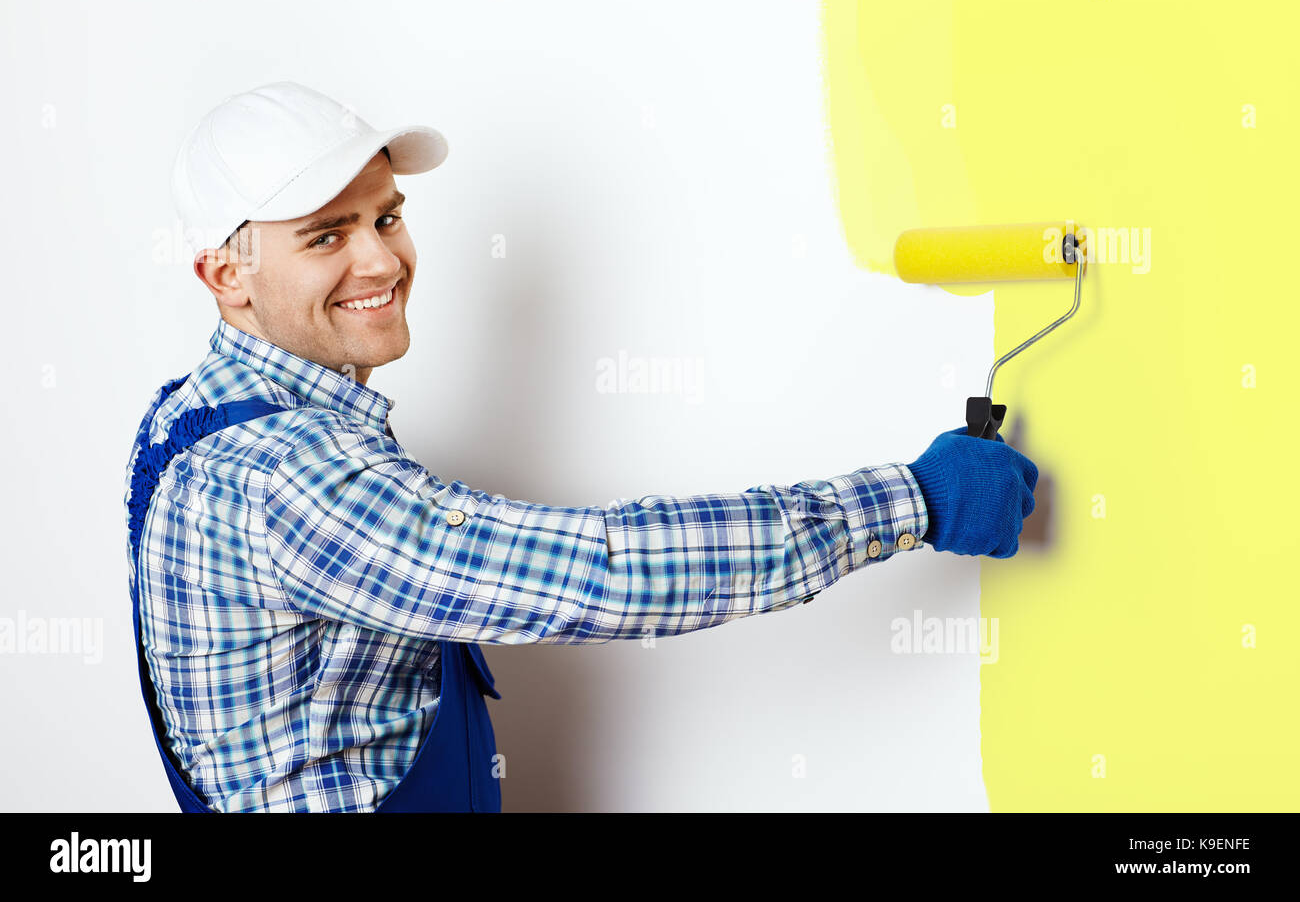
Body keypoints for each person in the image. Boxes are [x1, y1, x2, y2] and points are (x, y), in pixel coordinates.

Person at [125, 80, 1038, 813]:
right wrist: (913, 501)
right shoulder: (287, 478)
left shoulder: (191, 418)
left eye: (387, 217)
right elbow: (606, 571)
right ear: (224, 274)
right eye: (326, 235)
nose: (381, 261)